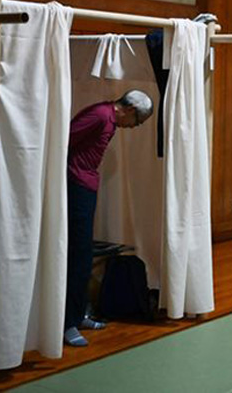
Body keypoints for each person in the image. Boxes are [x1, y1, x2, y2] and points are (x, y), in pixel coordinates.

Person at [64, 90, 154, 347]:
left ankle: (78, 314)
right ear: (129, 110)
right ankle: (67, 323)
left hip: (85, 185)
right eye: (137, 121)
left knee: (83, 256)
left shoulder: (108, 120)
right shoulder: (100, 116)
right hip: (77, 185)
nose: (134, 127)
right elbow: (63, 140)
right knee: (76, 256)